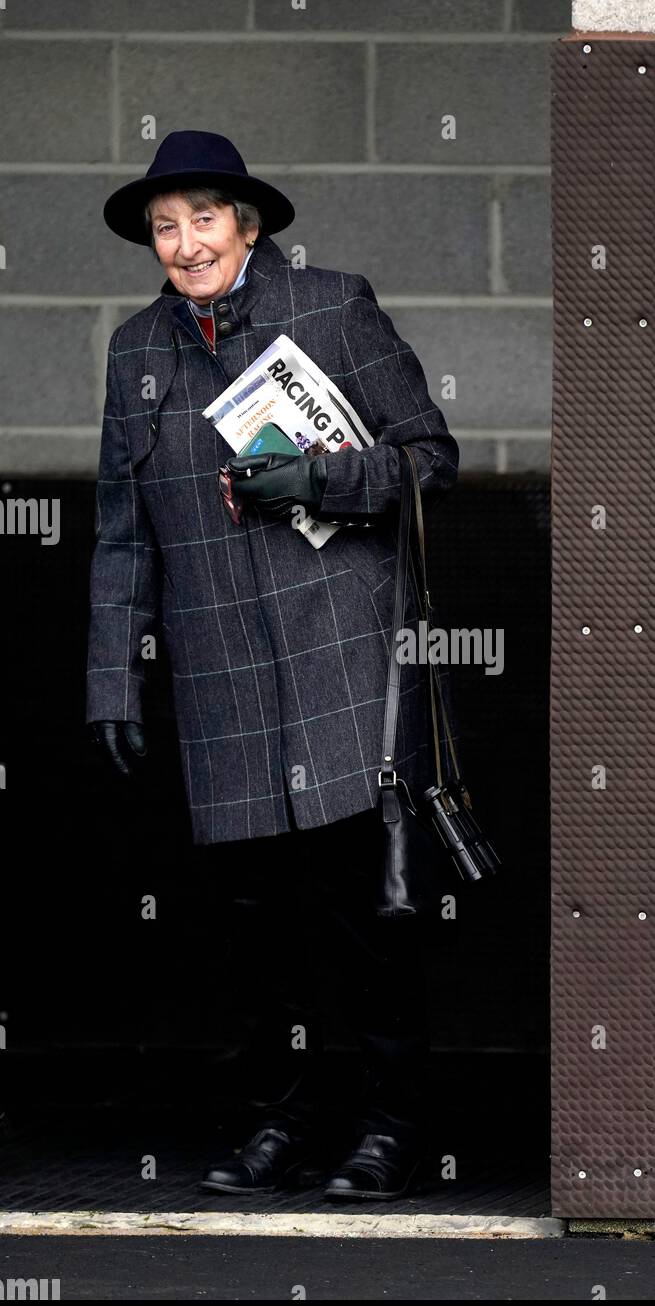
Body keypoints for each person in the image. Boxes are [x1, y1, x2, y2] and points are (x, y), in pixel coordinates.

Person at [86, 130, 460, 1201]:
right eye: (166, 225)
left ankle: (392, 1127)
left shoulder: (333, 306)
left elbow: (432, 461)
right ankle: (283, 1123)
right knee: (255, 926)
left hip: (338, 658)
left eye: (204, 217)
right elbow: (122, 531)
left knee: (365, 914)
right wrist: (114, 671)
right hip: (218, 676)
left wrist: (321, 480)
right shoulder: (134, 352)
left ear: (248, 226)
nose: (185, 241)